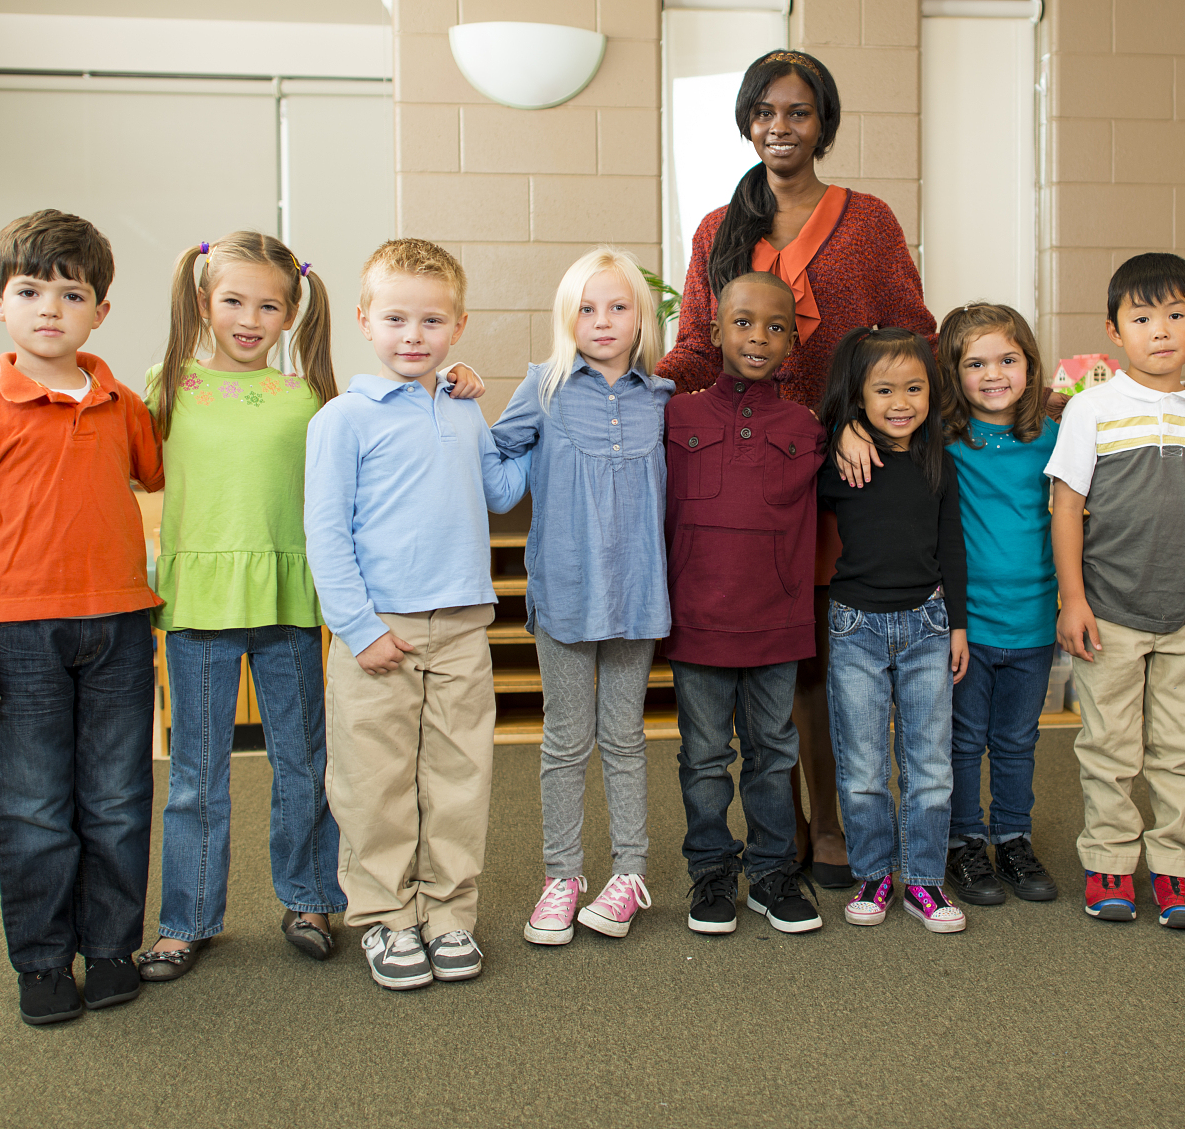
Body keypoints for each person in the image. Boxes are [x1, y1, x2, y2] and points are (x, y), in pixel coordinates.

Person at [657, 48, 936, 891]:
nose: (780, 127)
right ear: (747, 121)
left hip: (845, 465)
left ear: (825, 123)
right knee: (777, 649)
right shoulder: (718, 228)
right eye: (765, 113)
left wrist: (854, 414)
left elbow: (911, 332)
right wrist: (622, 392)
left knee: (822, 652)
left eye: (798, 112)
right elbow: (699, 349)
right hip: (749, 473)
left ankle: (839, 826)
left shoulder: (871, 220)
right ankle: (792, 830)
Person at [0, 209, 165, 1026]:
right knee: (32, 806)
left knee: (118, 798)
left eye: (72, 293)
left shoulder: (123, 405)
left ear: (100, 310)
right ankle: (40, 960)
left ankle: (108, 947)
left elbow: (170, 467)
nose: (50, 309)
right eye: (30, 290)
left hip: (120, 630)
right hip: (16, 635)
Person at [303, 238, 527, 991]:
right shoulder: (344, 419)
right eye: (396, 318)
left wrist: (540, 421)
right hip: (378, 629)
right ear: (364, 320)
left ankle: (448, 911)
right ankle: (388, 916)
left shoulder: (463, 410)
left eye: (431, 321)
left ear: (458, 325)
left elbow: (499, 491)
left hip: (463, 623)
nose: (413, 336)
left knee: (460, 774)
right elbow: (326, 533)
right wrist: (358, 627)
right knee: (375, 780)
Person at [132, 233, 347, 983]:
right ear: (202, 303)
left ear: (292, 314)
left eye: (268, 304)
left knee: (303, 763)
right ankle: (185, 919)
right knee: (195, 773)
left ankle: (312, 897)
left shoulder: (310, 396)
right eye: (232, 300)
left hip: (289, 601)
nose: (249, 317)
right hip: (196, 607)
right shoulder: (168, 384)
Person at [1046, 252, 1185, 931]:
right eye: (1141, 317)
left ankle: (1177, 868)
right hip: (1111, 610)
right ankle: (1107, 857)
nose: (1159, 330)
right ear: (1114, 329)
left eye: (1174, 315)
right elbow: (1066, 506)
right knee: (1110, 742)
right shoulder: (1092, 410)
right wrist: (1073, 599)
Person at [492, 247, 673, 946]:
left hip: (636, 597)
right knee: (566, 742)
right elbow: (498, 459)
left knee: (626, 739)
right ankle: (561, 875)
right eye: (587, 307)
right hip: (566, 594)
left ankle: (628, 872)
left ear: (639, 319)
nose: (603, 320)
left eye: (618, 306)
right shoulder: (542, 384)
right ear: (567, 316)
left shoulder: (660, 396)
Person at [664, 271, 828, 935]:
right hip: (697, 617)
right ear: (713, 331)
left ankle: (771, 873)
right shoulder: (675, 416)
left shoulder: (808, 427)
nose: (758, 336)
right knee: (703, 755)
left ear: (792, 339)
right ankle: (710, 871)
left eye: (775, 326)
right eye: (742, 322)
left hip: (776, 623)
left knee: (773, 753)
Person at [819, 326, 970, 934]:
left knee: (930, 764)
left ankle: (926, 882)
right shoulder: (843, 458)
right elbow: (803, 447)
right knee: (862, 766)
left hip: (929, 623)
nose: (901, 402)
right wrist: (840, 432)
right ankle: (874, 874)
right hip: (855, 624)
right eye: (883, 391)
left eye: (914, 388)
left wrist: (957, 624)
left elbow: (953, 546)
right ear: (859, 398)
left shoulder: (938, 460)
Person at [931, 304, 1062, 908]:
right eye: (974, 362)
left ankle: (1013, 835)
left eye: (1008, 360)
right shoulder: (943, 439)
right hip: (967, 625)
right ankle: (963, 841)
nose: (993, 374)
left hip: (1034, 619)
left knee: (1016, 739)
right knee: (962, 740)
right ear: (952, 373)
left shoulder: (1055, 438)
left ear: (1030, 366)